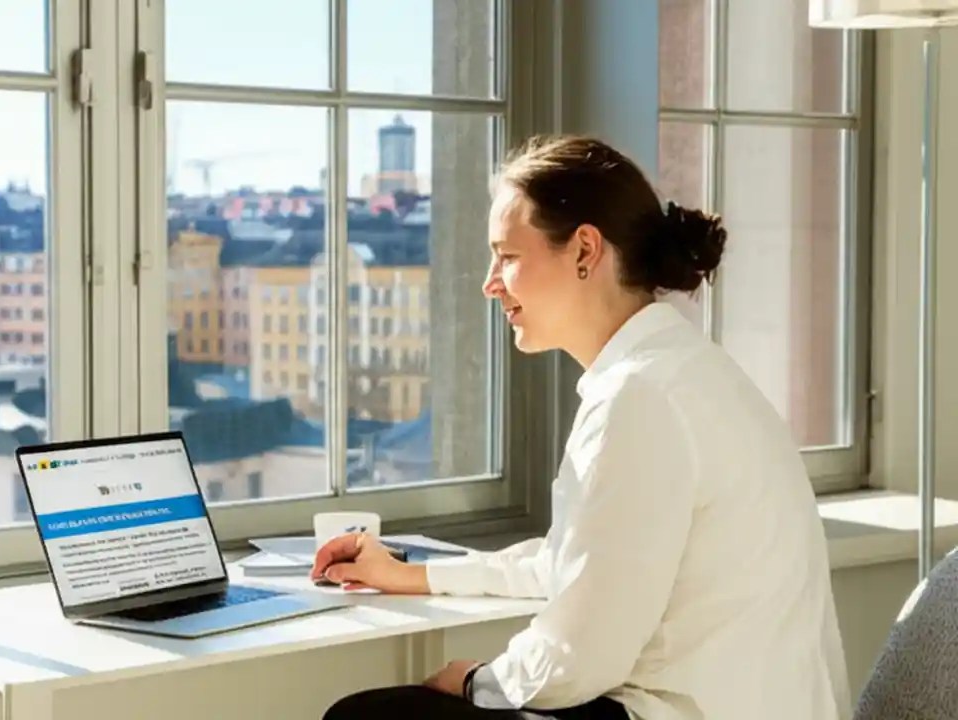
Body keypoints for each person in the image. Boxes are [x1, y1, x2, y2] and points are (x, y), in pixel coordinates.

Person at [313, 135, 850, 720]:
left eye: (508, 256)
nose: (491, 282)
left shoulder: (640, 398)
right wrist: (412, 575)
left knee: (368, 717)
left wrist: (476, 682)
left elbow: (580, 657)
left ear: (585, 251)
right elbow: (573, 564)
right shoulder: (681, 371)